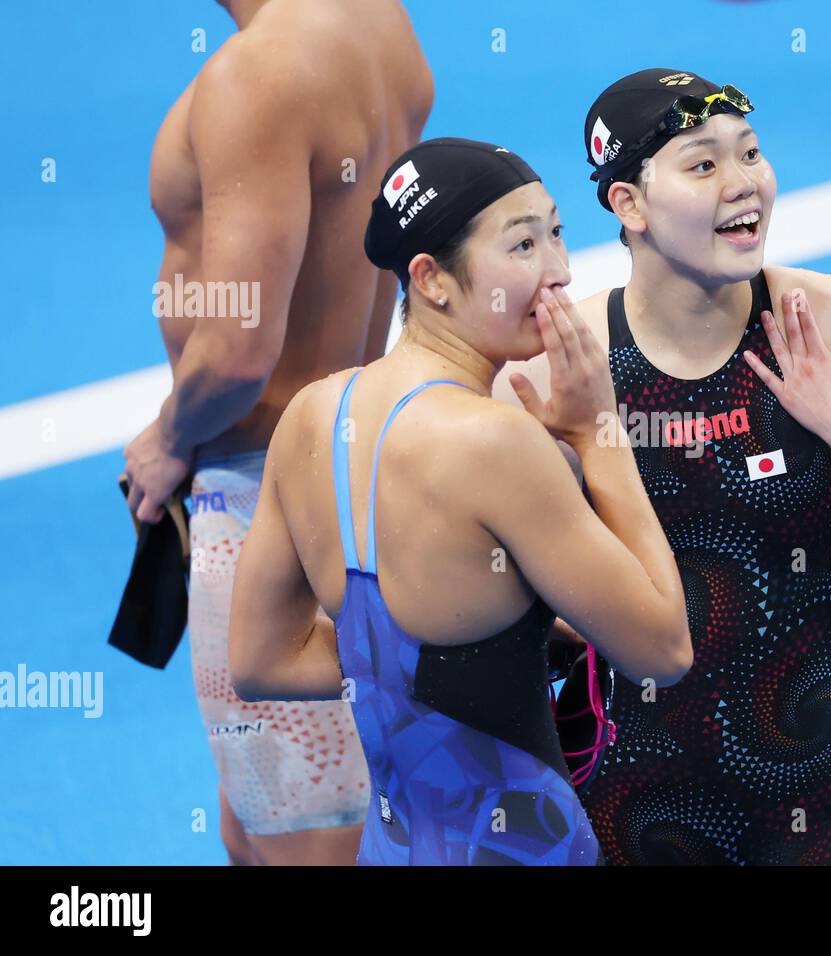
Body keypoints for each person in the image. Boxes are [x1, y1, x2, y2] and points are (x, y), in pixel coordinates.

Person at [498, 68, 831, 865]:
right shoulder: (559, 368)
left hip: (812, 806)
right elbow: (493, 600)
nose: (743, 183)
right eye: (703, 164)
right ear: (629, 205)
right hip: (622, 810)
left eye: (750, 153)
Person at [228, 138, 692, 866]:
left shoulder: (314, 417)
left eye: (557, 233)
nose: (560, 273)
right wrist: (597, 431)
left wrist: (453, 666)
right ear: (432, 279)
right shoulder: (494, 443)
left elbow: (263, 661)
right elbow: (664, 650)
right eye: (523, 245)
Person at [120, 0, 432, 865]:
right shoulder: (381, 24)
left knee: (305, 840)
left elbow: (236, 354)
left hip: (266, 500)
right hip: (351, 460)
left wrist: (169, 437)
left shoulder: (254, 75)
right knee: (257, 828)